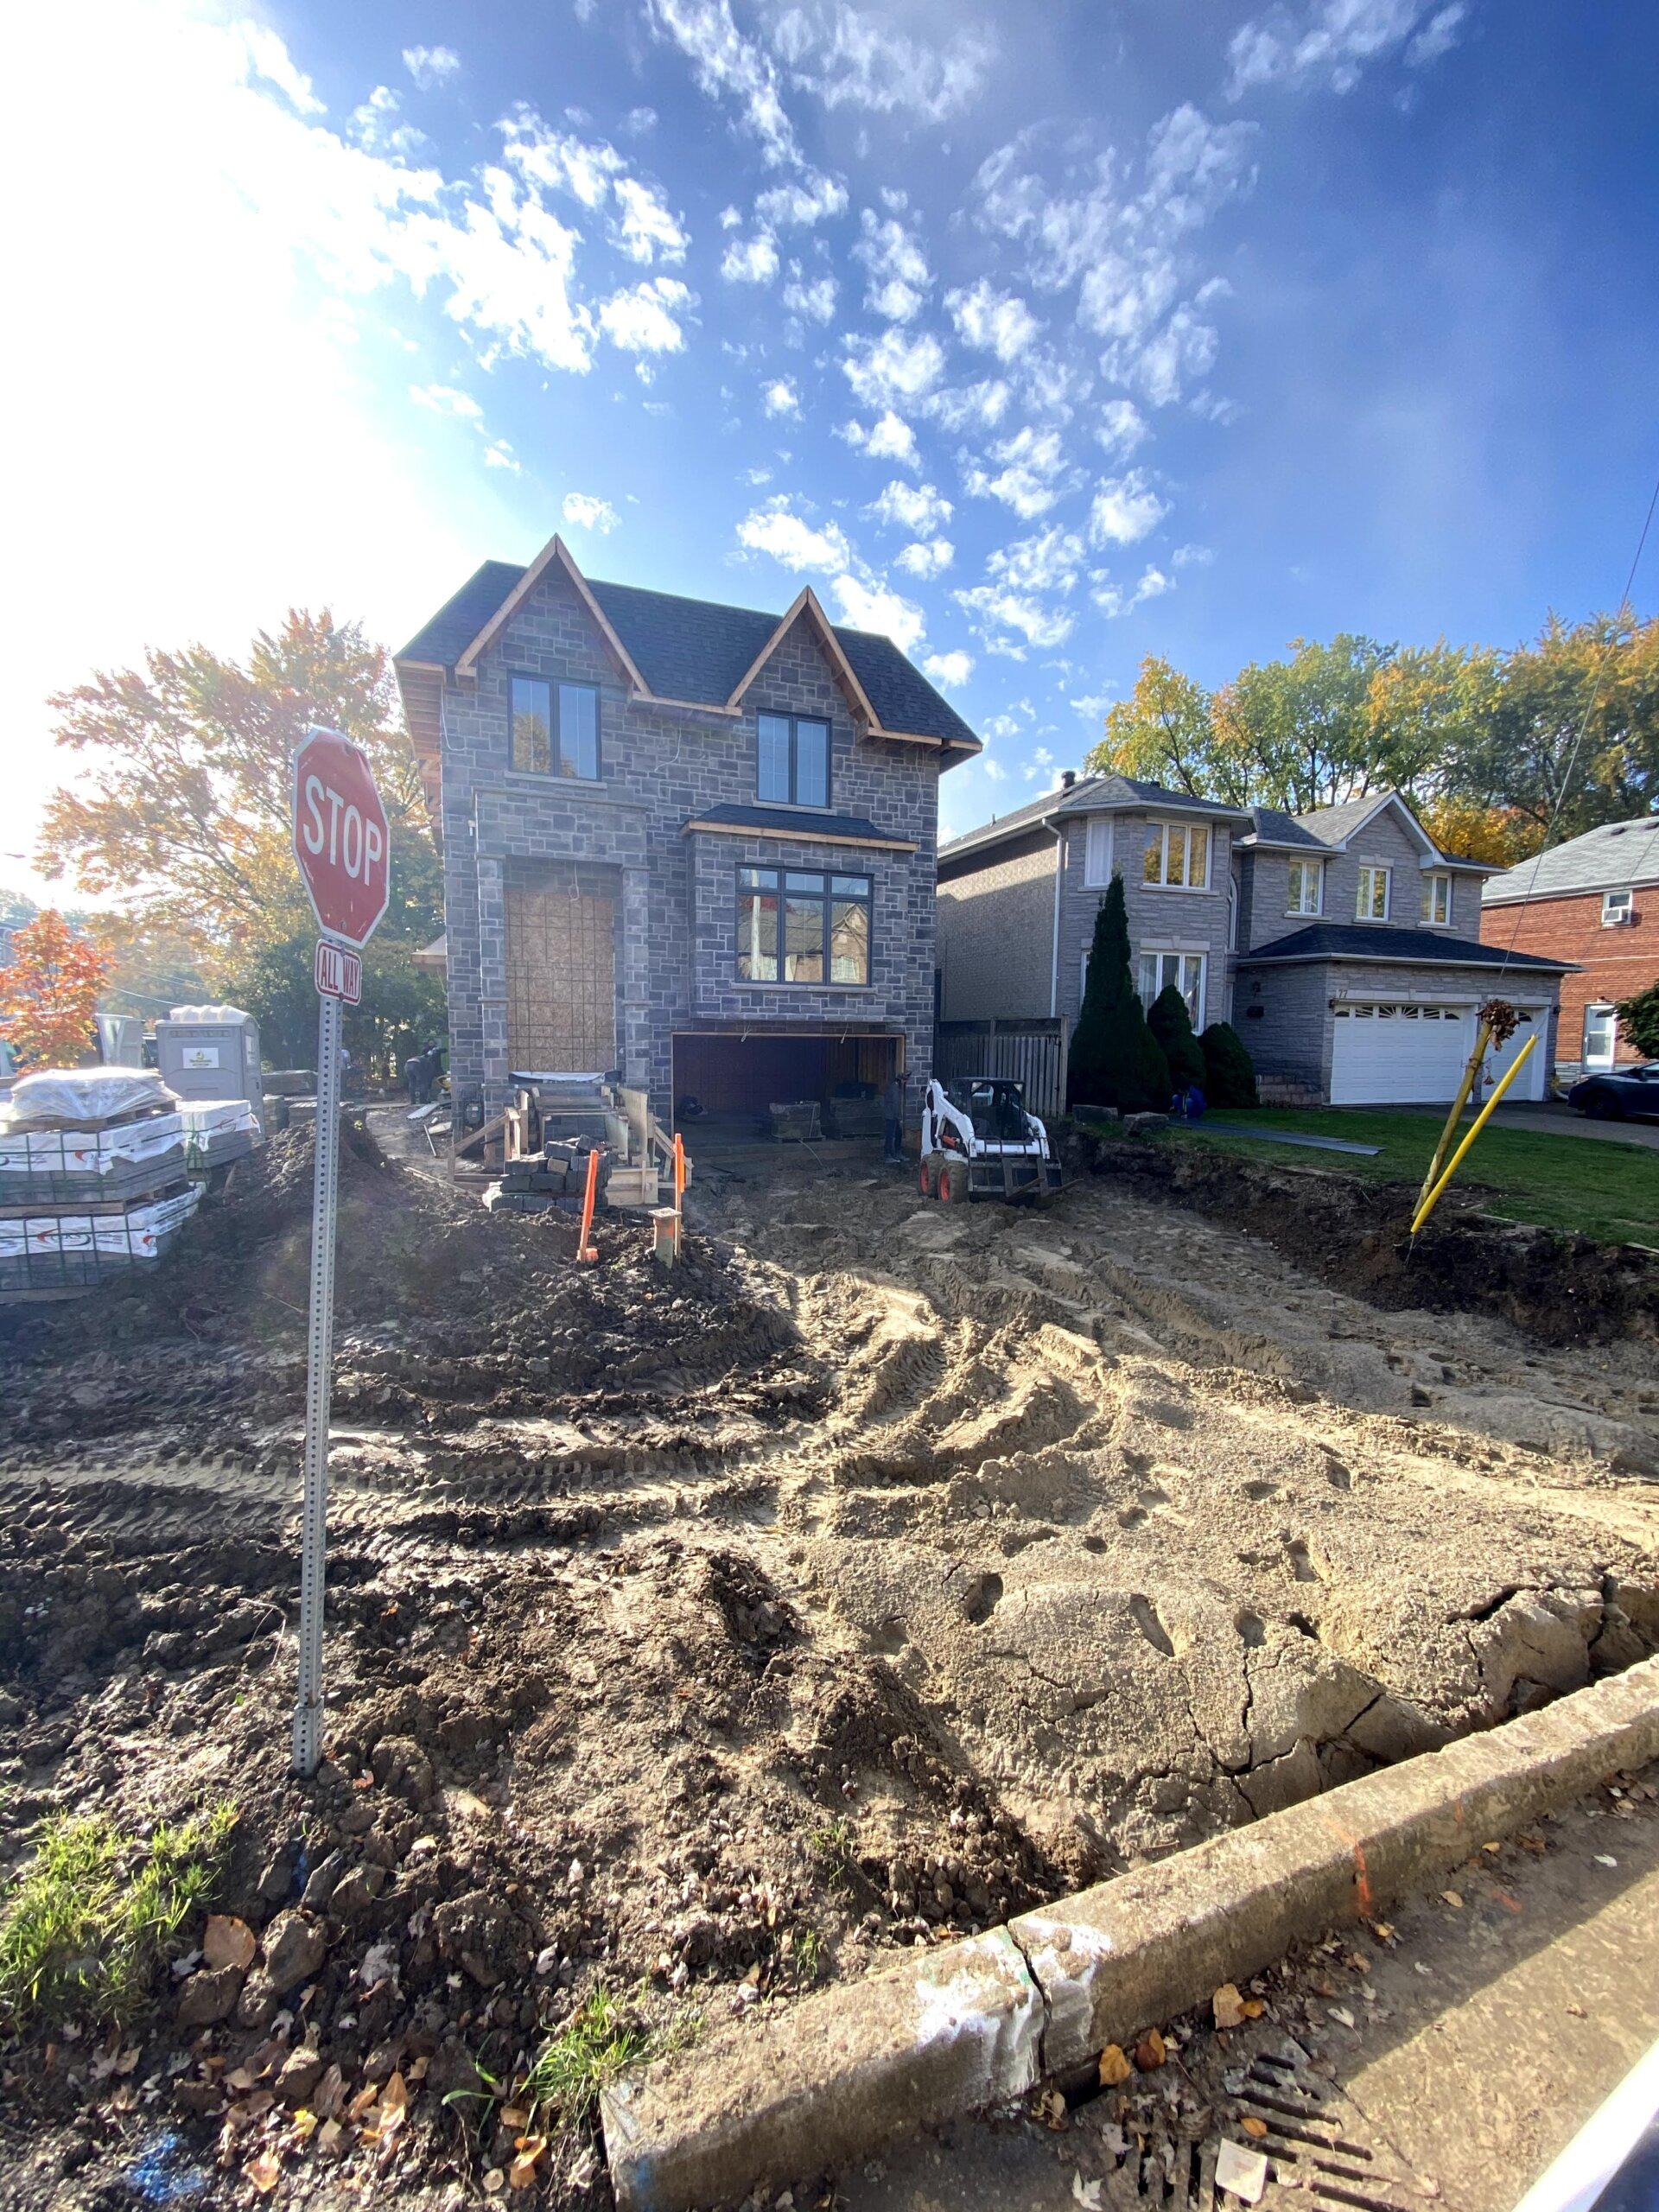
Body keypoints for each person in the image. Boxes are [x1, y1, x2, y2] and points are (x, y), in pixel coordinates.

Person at [883, 1071, 906, 1164]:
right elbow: (896, 1105)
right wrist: (899, 1118)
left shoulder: (895, 1087)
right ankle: (888, 1154)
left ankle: (896, 1152)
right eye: (904, 1081)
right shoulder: (895, 1089)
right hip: (891, 1116)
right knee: (890, 1135)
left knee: (898, 1134)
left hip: (892, 1115)